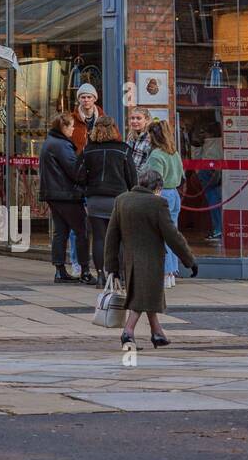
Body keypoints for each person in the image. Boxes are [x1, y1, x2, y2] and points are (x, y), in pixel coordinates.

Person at [104, 166, 197, 349]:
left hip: (130, 260)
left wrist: (111, 266)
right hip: (151, 260)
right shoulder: (158, 203)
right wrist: (189, 260)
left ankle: (157, 333)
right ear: (157, 187)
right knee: (141, 299)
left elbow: (111, 236)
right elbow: (173, 236)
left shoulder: (122, 200)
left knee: (148, 296)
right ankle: (128, 333)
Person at [78, 115, 137, 286]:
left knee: (99, 238)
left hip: (95, 198)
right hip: (118, 199)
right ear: (114, 129)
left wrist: (87, 188)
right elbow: (132, 177)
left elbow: (78, 175)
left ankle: (101, 276)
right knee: (119, 238)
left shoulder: (88, 150)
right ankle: (117, 275)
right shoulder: (123, 149)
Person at [38, 111, 93, 284]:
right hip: (66, 194)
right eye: (71, 126)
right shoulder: (61, 145)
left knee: (61, 232)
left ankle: (60, 270)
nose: (73, 129)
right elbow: (75, 170)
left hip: (54, 193)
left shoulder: (51, 142)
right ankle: (85, 270)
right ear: (63, 127)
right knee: (82, 231)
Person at [146, 118, 185, 285]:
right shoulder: (173, 153)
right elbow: (182, 176)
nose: (147, 138)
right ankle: (172, 273)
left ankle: (166, 272)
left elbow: (156, 180)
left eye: (149, 135)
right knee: (172, 234)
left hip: (162, 195)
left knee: (161, 236)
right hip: (174, 194)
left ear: (154, 136)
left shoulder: (156, 155)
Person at [69, 83, 102, 152]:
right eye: (83, 97)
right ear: (79, 99)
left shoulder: (104, 119)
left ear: (95, 99)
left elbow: (116, 141)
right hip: (78, 160)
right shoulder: (71, 120)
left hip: (98, 159)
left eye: (89, 97)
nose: (86, 100)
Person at [126, 107, 153, 175]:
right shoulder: (130, 136)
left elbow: (148, 163)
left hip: (143, 180)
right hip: (130, 178)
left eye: (138, 118)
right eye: (132, 118)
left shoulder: (150, 138)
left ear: (146, 120)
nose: (134, 121)